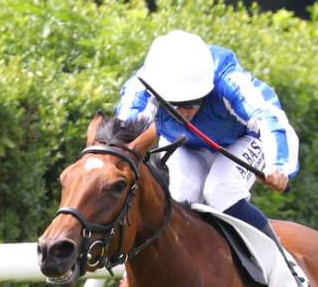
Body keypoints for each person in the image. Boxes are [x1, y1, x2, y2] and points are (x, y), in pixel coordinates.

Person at [114, 29, 298, 239]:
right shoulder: (142, 88)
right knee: (182, 196)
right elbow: (122, 136)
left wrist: (278, 165)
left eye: (192, 103)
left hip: (242, 139)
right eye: (174, 104)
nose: (183, 113)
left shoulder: (228, 81)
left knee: (221, 191)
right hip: (185, 144)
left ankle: (280, 260)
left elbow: (269, 118)